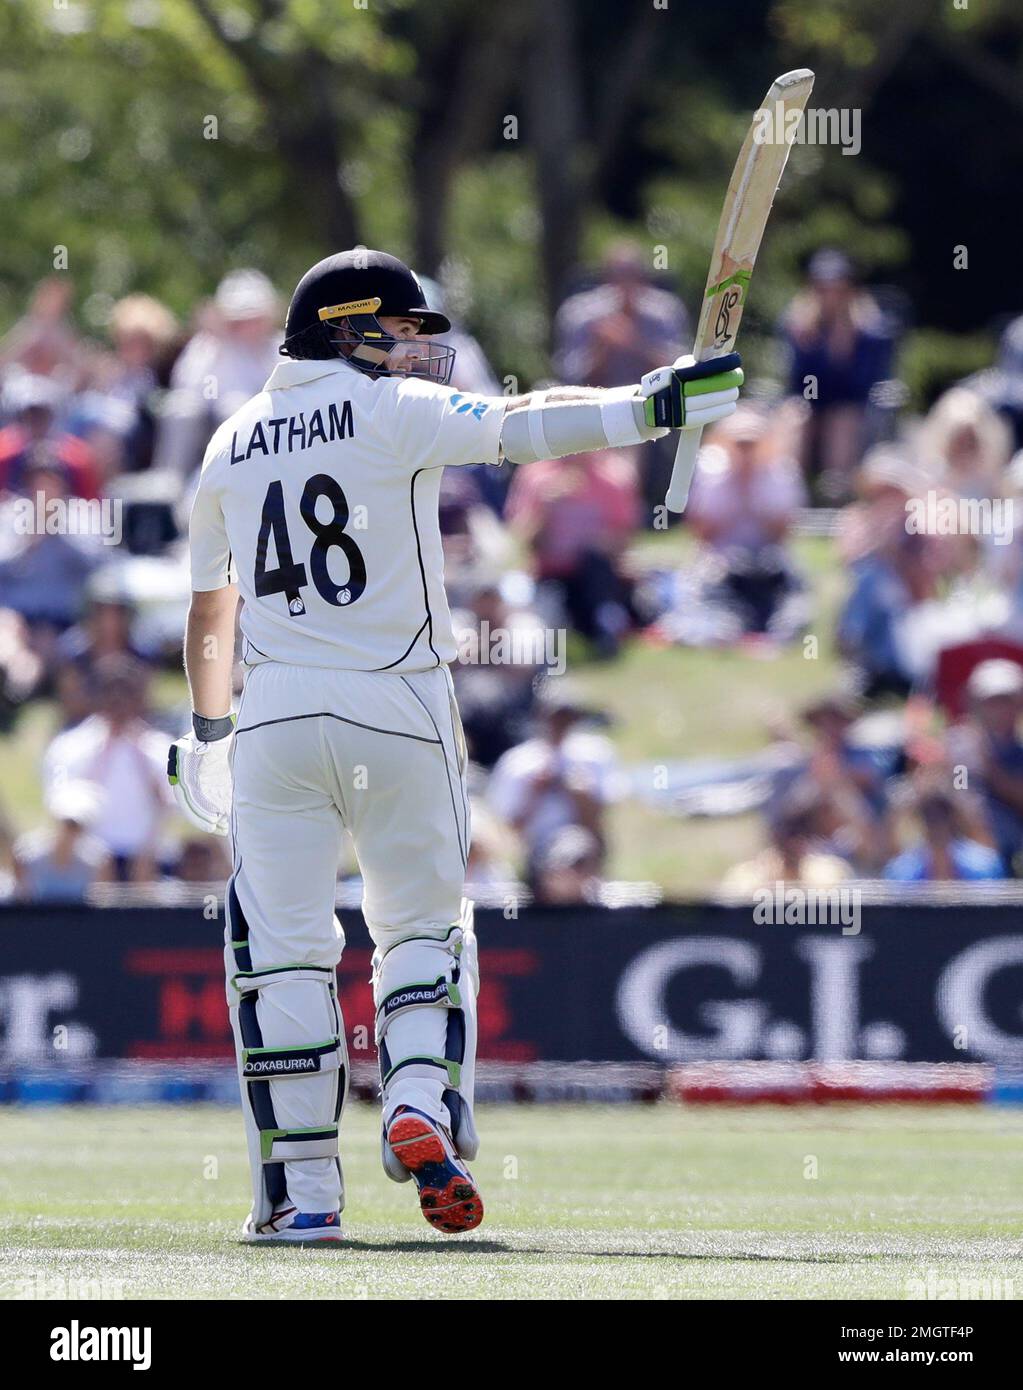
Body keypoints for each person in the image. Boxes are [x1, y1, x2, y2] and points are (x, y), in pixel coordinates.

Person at [166, 247, 743, 1245]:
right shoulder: (391, 414)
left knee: (280, 955)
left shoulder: (230, 441)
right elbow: (521, 428)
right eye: (401, 330)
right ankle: (418, 1103)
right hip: (398, 707)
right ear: (347, 329)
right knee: (423, 932)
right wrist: (653, 405)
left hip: (273, 719)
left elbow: (211, 610)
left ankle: (304, 1192)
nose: (416, 349)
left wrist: (209, 727)